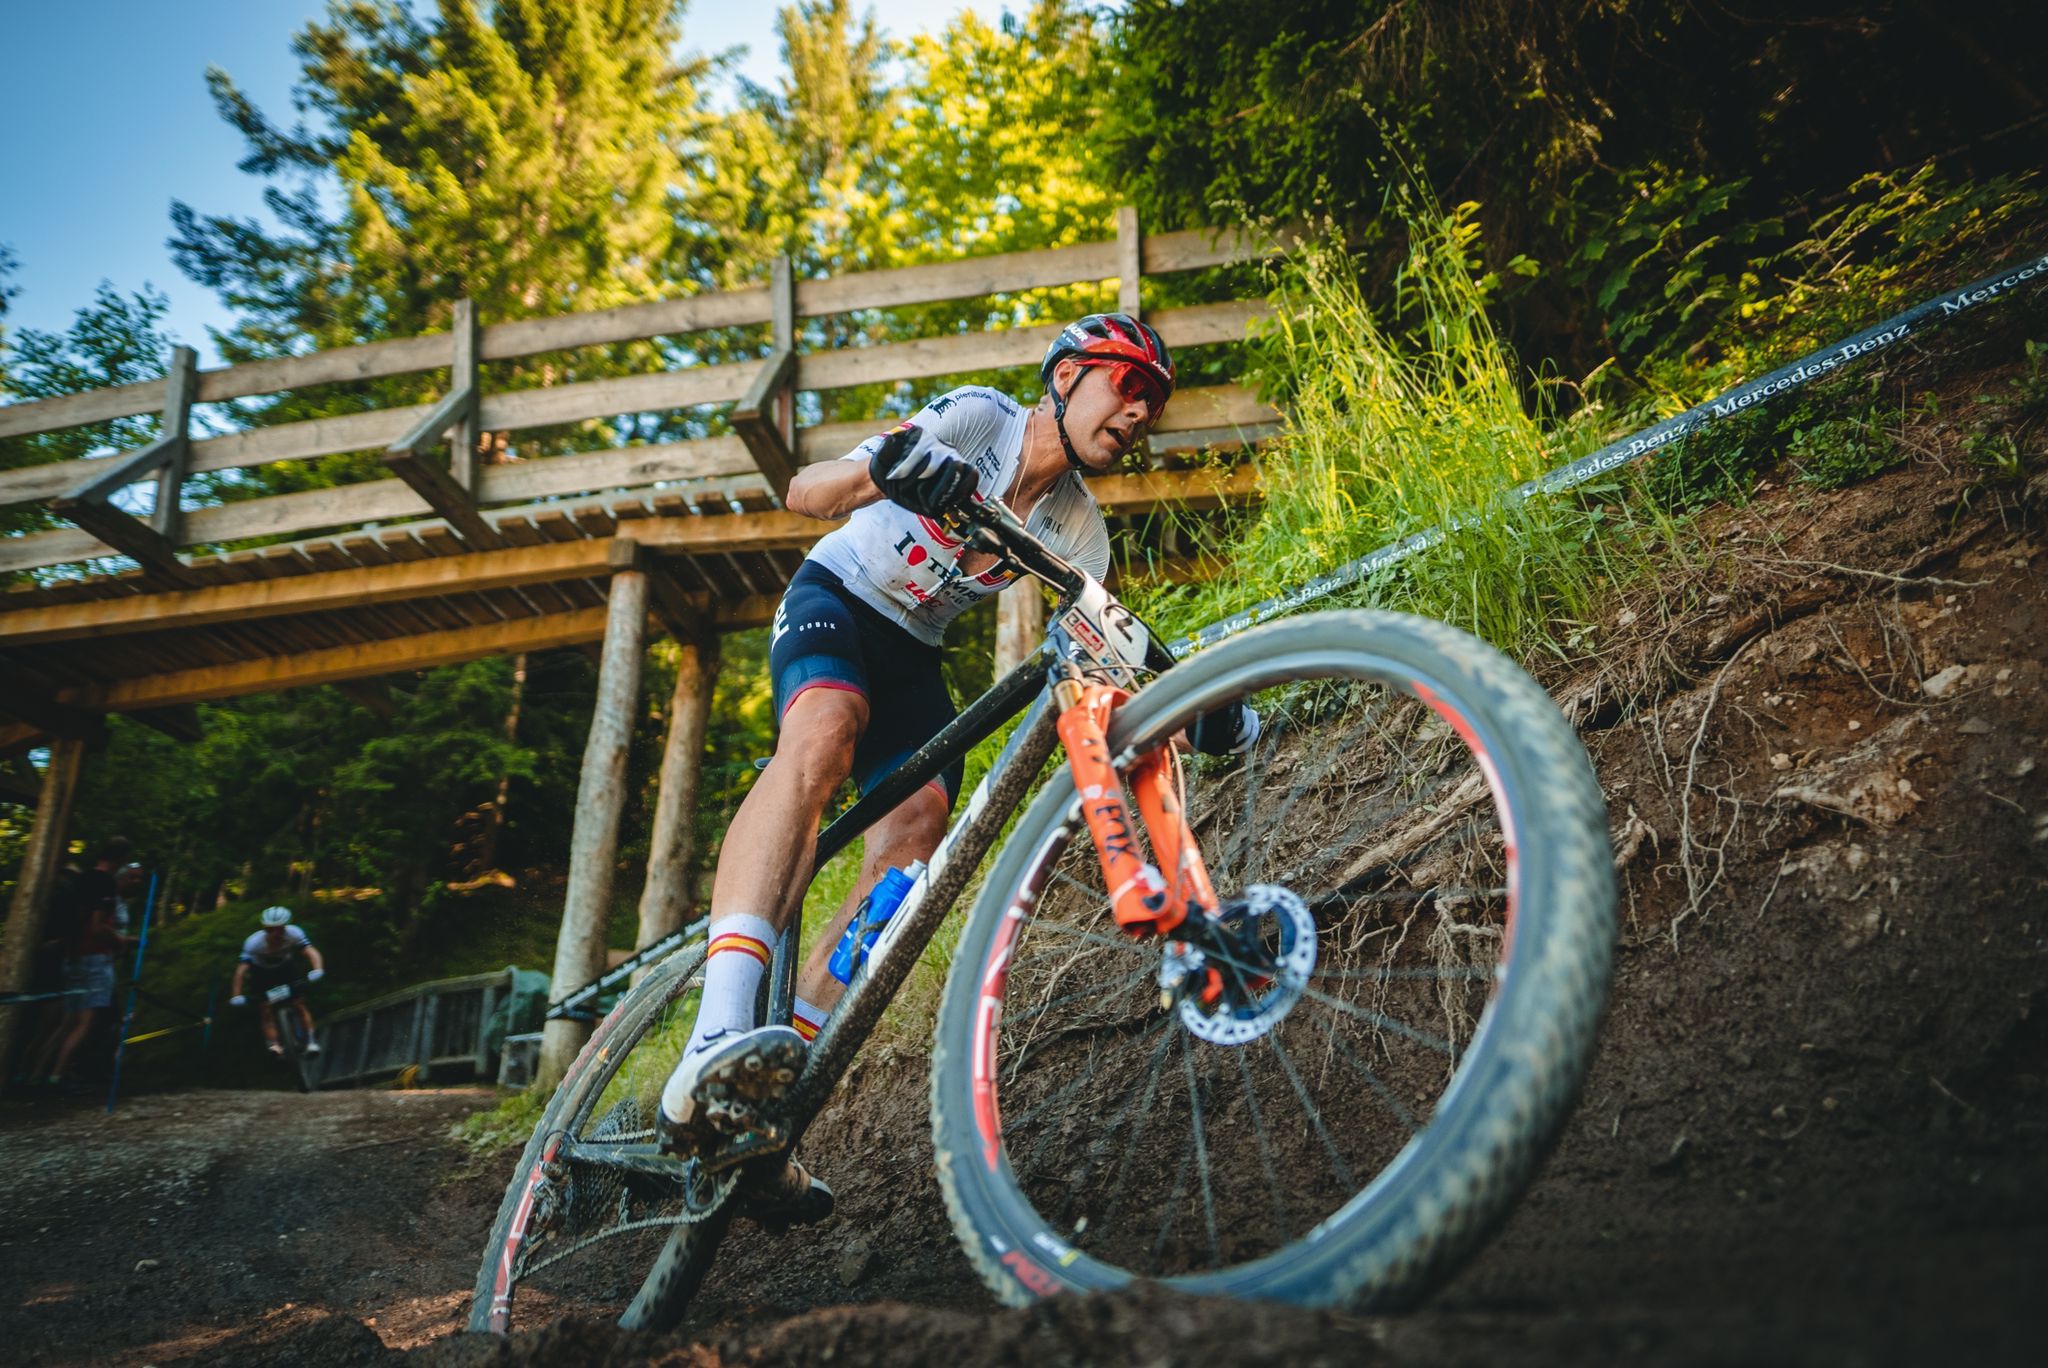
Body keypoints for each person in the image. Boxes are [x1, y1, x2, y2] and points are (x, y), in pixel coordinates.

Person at [654, 314, 1254, 1217]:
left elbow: (1109, 645)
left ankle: (771, 1098)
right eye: (1128, 385)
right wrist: (884, 469)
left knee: (917, 838)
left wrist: (1201, 703)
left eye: (1154, 404)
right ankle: (716, 1035)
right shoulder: (979, 419)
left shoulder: (1078, 529)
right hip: (838, 602)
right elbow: (804, 489)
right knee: (824, 731)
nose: (1140, 414)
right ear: (1065, 375)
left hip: (915, 653)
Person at [27, 837, 137, 1089]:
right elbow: (98, 927)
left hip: (70, 954)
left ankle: (35, 1074)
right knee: (85, 1022)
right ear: (119, 859)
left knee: (65, 1022)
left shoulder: (81, 880)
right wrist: (120, 939)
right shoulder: (104, 883)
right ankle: (57, 1075)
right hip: (94, 955)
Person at [229, 905, 327, 1058]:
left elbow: (310, 951)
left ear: (285, 927)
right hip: (261, 973)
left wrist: (318, 969)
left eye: (279, 929)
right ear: (265, 929)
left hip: (285, 969)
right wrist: (236, 995)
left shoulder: (294, 933)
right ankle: (274, 1045)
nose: (275, 933)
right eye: (270, 929)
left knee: (299, 1003)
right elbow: (241, 971)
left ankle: (311, 1042)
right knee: (265, 1008)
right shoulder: (253, 943)